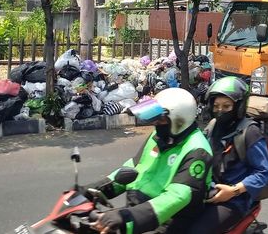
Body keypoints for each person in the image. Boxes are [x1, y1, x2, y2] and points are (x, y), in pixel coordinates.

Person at [85, 88, 213, 234]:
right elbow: (134, 167)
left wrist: (127, 217)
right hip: (140, 214)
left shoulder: (197, 149)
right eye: (155, 118)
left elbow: (177, 196)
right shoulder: (159, 136)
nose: (156, 123)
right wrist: (93, 190)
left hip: (168, 221)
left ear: (179, 119)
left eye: (161, 119)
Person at [187, 76, 268, 234]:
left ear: (238, 107)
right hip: (207, 191)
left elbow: (263, 173)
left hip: (234, 200)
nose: (220, 111)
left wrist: (233, 191)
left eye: (226, 106)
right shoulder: (213, 127)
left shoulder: (250, 132)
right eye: (216, 106)